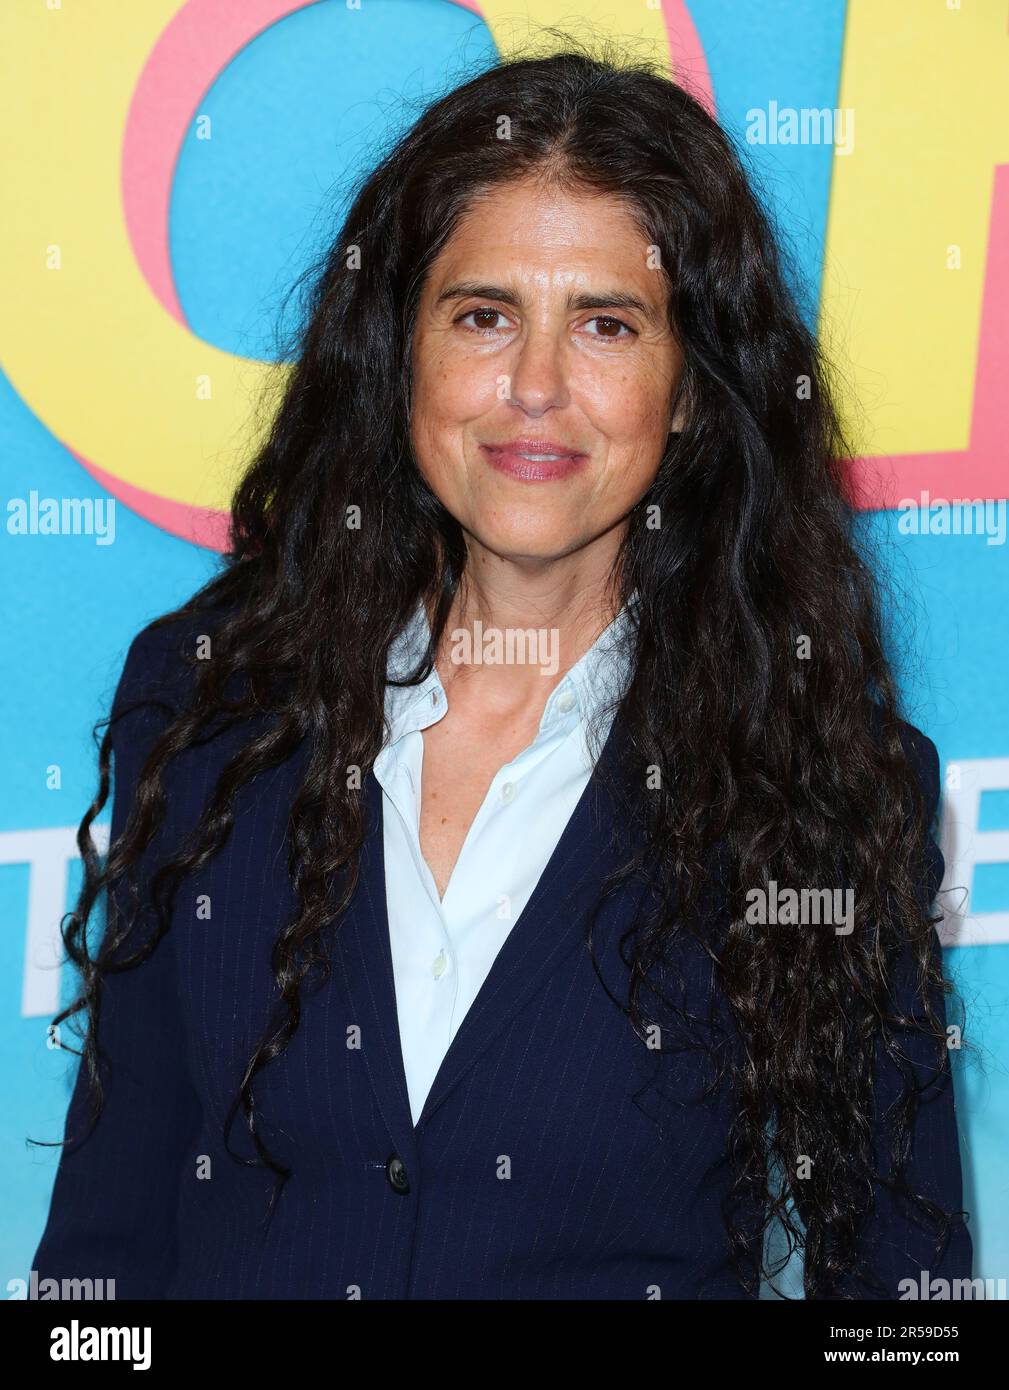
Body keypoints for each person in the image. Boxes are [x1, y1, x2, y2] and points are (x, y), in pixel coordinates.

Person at [32, 43, 972, 1300]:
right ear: (398, 349)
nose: (534, 388)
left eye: (605, 323)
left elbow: (899, 1299)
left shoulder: (821, 790)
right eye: (483, 316)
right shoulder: (211, 708)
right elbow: (103, 1263)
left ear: (691, 387)